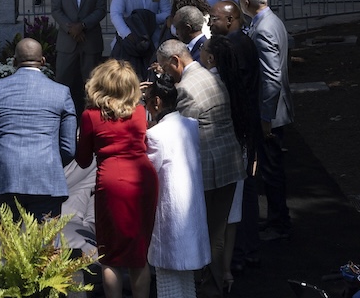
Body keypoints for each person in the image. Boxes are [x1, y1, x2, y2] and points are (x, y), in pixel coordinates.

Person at [157, 39, 245, 298]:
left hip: (210, 170)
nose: (163, 74)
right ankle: (212, 287)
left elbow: (179, 131)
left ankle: (207, 289)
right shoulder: (210, 76)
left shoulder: (186, 89)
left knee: (204, 236)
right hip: (229, 164)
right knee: (216, 234)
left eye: (164, 69)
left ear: (176, 61)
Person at [0, 38, 77, 237]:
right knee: (43, 252)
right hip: (46, 177)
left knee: (5, 249)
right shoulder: (61, 93)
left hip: (5, 175)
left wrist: (2, 159)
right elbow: (69, 148)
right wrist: (51, 162)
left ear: (14, 61)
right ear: (43, 61)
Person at [75, 59, 158, 298]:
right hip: (143, 179)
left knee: (110, 255)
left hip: (111, 182)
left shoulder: (90, 116)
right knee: (139, 252)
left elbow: (82, 160)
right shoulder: (140, 111)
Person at [207, 0, 262, 273]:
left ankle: (242, 250)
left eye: (214, 18)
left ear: (230, 20)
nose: (210, 22)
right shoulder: (241, 43)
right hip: (245, 126)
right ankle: (245, 249)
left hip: (240, 128)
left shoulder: (234, 47)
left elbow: (235, 91)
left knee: (242, 192)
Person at [144, 73, 208, 298]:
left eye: (147, 101)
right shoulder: (190, 125)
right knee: (186, 280)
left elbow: (148, 174)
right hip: (191, 210)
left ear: (157, 102)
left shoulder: (155, 135)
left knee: (167, 278)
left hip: (169, 213)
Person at [238, 0, 293, 241]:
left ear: (246, 3)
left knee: (271, 170)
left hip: (270, 113)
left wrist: (266, 117)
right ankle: (276, 219)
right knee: (272, 168)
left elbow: (271, 76)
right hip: (274, 109)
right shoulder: (272, 21)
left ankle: (279, 223)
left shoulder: (263, 29)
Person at [49, 0, 106, 106]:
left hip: (90, 42)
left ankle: (89, 119)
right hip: (67, 43)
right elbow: (56, 9)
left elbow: (101, 10)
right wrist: (71, 29)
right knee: (62, 82)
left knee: (91, 84)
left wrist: (82, 26)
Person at [110, 0, 171, 78]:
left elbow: (167, 13)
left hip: (152, 33)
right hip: (130, 35)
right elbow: (115, 14)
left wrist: (149, 20)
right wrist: (127, 34)